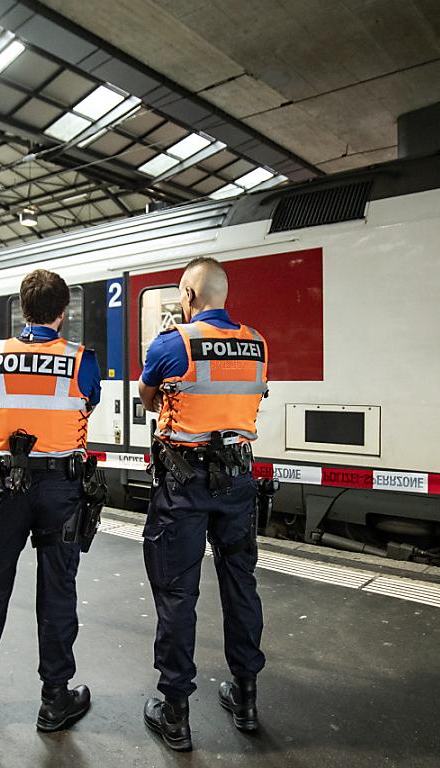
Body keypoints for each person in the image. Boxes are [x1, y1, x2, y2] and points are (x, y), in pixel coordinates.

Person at [0, 269, 101, 731]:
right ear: (64, 311)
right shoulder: (81, 360)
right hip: (60, 487)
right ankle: (54, 701)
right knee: (57, 592)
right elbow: (88, 403)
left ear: (23, 309)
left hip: (5, 487)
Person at [138, 256, 268, 751]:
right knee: (240, 585)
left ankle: (175, 714)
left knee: (177, 593)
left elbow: (150, 397)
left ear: (188, 297)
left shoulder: (173, 343)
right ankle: (247, 696)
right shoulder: (257, 343)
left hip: (184, 482)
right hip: (237, 478)